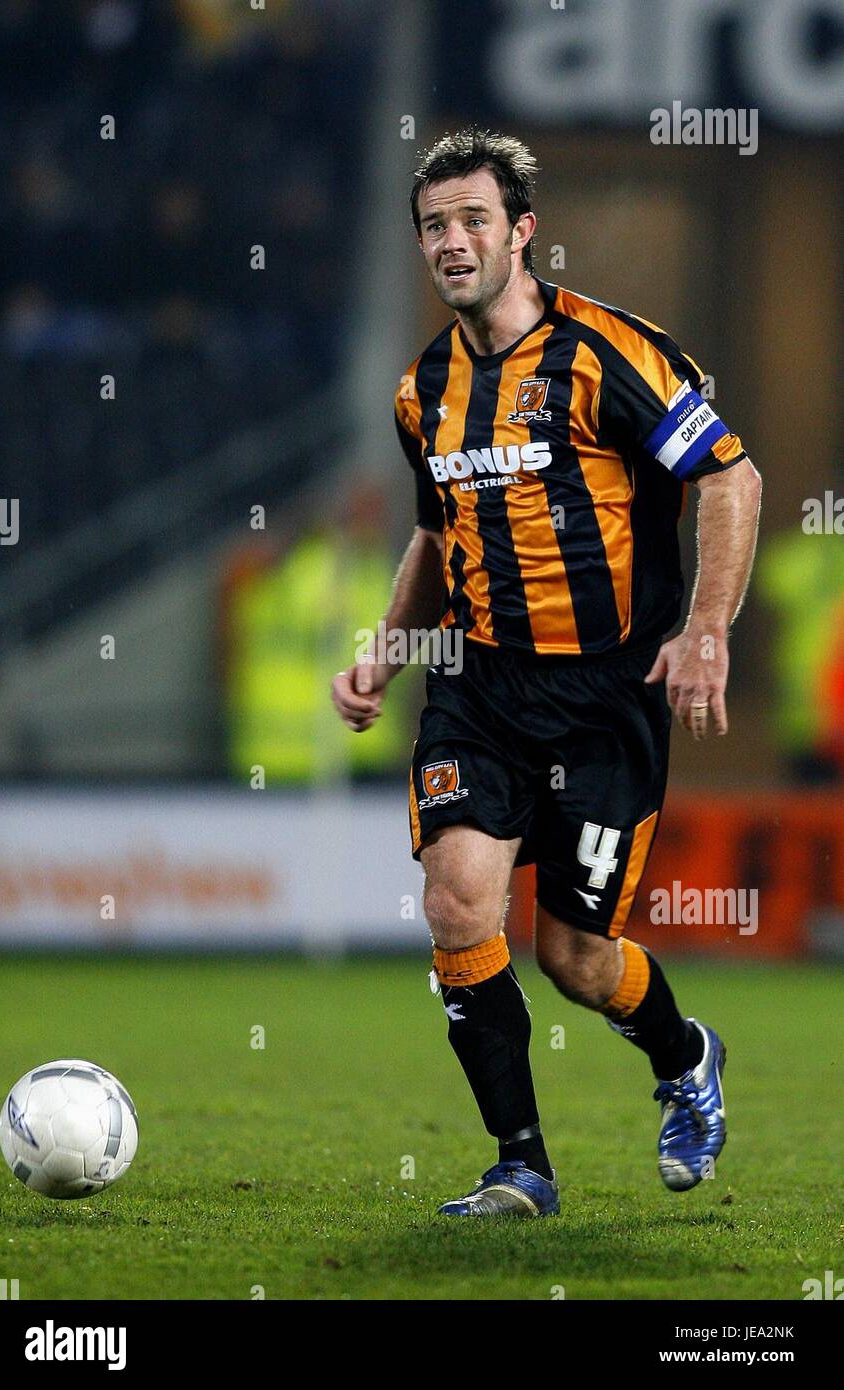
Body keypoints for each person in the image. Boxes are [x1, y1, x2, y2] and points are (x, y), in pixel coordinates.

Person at [331, 129, 762, 1217]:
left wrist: (705, 626)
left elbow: (730, 479)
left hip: (607, 696)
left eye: (473, 218)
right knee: (458, 902)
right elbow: (438, 537)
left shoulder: (608, 352)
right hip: (480, 687)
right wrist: (386, 650)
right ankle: (518, 1163)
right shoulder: (420, 391)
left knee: (574, 953)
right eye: (433, 224)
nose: (451, 240)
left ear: (522, 231)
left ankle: (683, 1056)